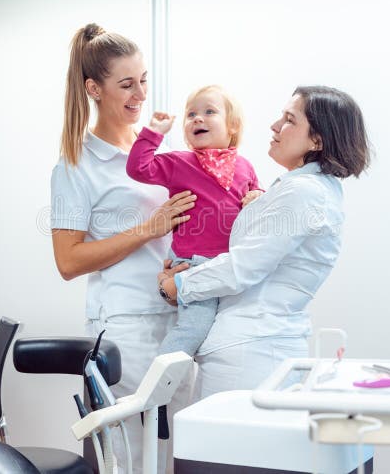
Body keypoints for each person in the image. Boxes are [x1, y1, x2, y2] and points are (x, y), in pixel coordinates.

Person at [157, 85, 371, 399]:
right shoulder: (302, 188)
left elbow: (243, 266)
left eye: (289, 120)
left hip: (252, 352)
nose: (274, 126)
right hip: (250, 346)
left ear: (317, 139)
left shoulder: (304, 192)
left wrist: (178, 285)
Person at [50, 23, 195, 474]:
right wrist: (148, 229)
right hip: (124, 328)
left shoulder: (158, 150)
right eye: (127, 84)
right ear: (94, 88)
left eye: (144, 80)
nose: (140, 94)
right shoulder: (76, 165)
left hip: (178, 319)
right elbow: (68, 261)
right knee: (130, 459)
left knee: (176, 455)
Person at [126, 85, 262, 358]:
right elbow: (138, 168)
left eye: (209, 112)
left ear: (232, 125)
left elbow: (257, 199)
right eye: (191, 115)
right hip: (193, 264)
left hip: (231, 264)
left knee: (226, 335)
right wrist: (154, 133)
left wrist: (258, 195)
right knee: (193, 330)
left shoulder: (245, 166)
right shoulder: (180, 162)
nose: (198, 118)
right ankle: (160, 381)